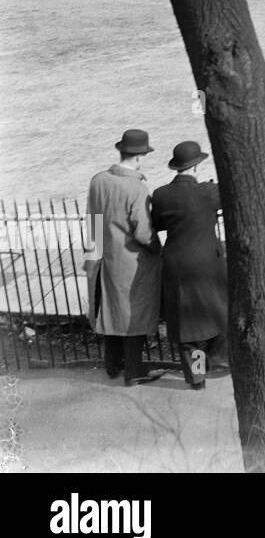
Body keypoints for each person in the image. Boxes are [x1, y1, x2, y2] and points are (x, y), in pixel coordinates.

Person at [84, 129, 164, 386]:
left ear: (121, 151)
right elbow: (143, 232)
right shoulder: (136, 188)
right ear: (140, 156)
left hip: (104, 258)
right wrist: (158, 248)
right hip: (131, 262)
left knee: (109, 310)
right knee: (133, 314)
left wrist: (92, 258)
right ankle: (134, 372)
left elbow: (93, 220)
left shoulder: (98, 181)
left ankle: (112, 365)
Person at [150, 141, 229, 390]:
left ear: (176, 168)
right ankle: (216, 358)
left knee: (187, 325)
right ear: (196, 167)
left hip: (177, 264)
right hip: (208, 262)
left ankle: (197, 377)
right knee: (220, 310)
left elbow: (157, 224)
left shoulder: (161, 194)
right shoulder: (209, 192)